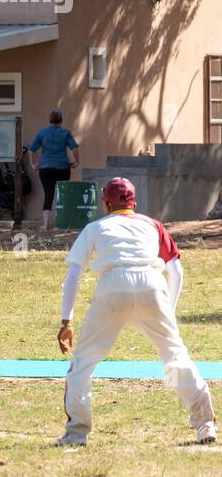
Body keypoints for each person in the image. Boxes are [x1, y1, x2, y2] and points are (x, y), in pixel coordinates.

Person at [55, 177, 216, 446]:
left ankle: (76, 433)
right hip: (152, 286)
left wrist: (66, 320)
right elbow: (175, 270)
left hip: (112, 288)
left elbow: (73, 274)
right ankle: (205, 424)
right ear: (133, 202)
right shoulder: (153, 225)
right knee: (175, 357)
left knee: (83, 363)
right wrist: (169, 311)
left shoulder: (95, 227)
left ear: (105, 202)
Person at [30, 109, 80, 230]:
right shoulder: (65, 133)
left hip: (45, 168)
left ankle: (46, 225)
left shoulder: (42, 133)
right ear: (61, 120)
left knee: (48, 194)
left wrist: (33, 164)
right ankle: (61, 223)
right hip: (62, 167)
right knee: (62, 195)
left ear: (50, 120)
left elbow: (31, 149)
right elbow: (74, 148)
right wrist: (76, 162)